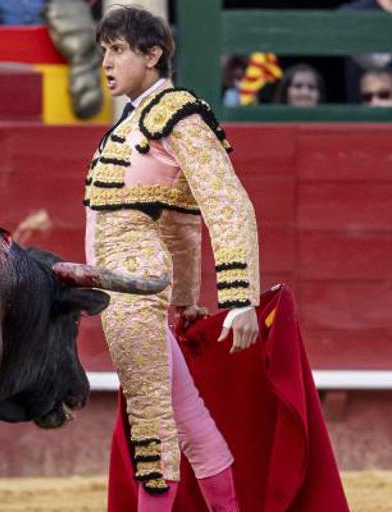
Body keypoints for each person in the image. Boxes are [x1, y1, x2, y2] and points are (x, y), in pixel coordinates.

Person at [83, 6, 258, 510]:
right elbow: (179, 215)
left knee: (151, 420)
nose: (107, 63)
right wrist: (183, 299)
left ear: (152, 53)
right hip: (129, 291)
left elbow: (227, 204)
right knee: (189, 418)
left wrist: (239, 299)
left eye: (117, 50)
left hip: (134, 292)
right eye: (103, 53)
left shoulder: (176, 114)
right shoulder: (137, 120)